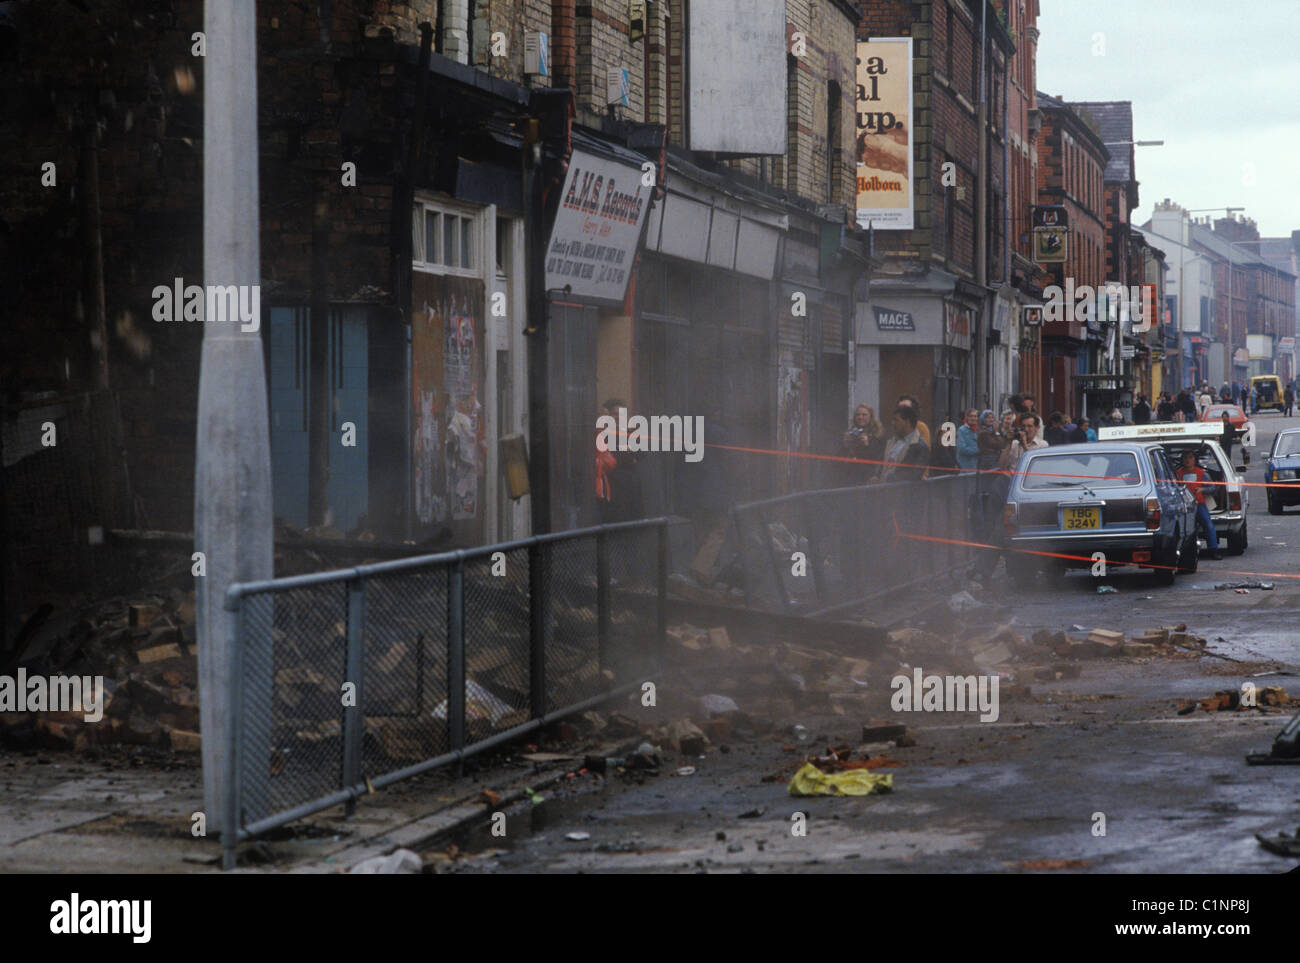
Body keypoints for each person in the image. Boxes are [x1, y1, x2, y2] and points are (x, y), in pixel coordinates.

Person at [1177, 448, 1222, 561]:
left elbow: (1212, 487)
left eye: (1190, 457)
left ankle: (1213, 549)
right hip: (1184, 507)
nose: (1188, 460)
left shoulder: (1202, 473)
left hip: (1199, 504)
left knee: (1208, 524)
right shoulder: (1178, 474)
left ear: (1195, 460)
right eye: (1185, 458)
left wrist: (1202, 490)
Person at [879, 405, 930, 483]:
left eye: (896, 420)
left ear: (907, 422)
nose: (893, 423)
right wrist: (876, 476)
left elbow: (914, 474)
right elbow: (881, 464)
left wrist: (890, 478)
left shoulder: (920, 446)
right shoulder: (890, 442)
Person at [842, 404, 885, 482]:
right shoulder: (852, 433)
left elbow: (879, 457)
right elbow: (841, 458)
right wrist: (846, 445)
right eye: (858, 415)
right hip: (851, 477)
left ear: (871, 417)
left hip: (868, 477)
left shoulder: (878, 435)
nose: (860, 417)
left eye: (864, 415)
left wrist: (867, 445)